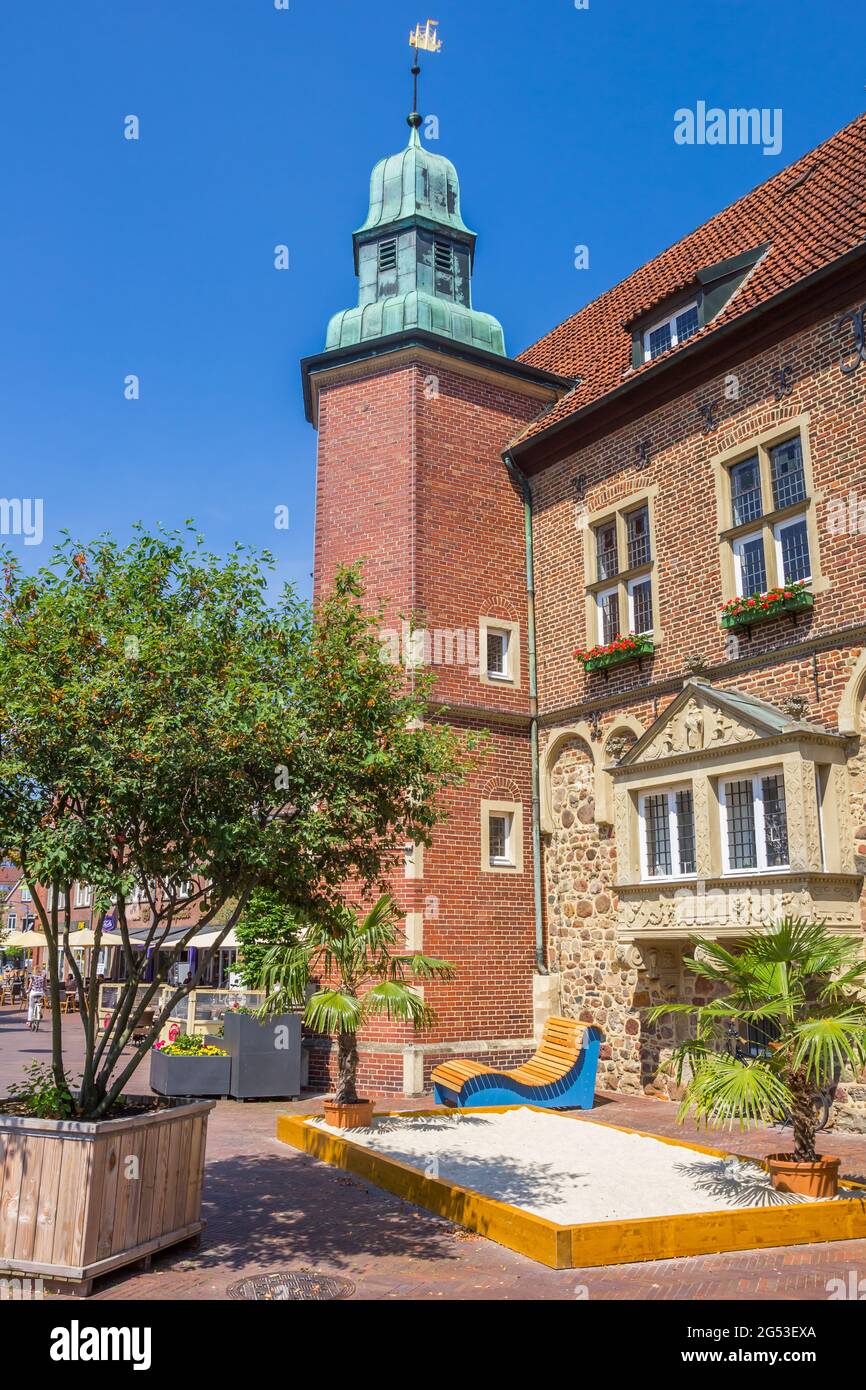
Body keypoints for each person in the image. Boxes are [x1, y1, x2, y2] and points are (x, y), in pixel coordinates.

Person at [26, 966, 47, 1032]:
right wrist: (45, 990)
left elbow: (30, 985)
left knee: (31, 1007)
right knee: (39, 1002)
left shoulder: (32, 977)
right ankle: (39, 1011)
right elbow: (45, 986)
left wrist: (28, 991)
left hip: (33, 992)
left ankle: (29, 1021)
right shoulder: (43, 977)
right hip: (41, 993)